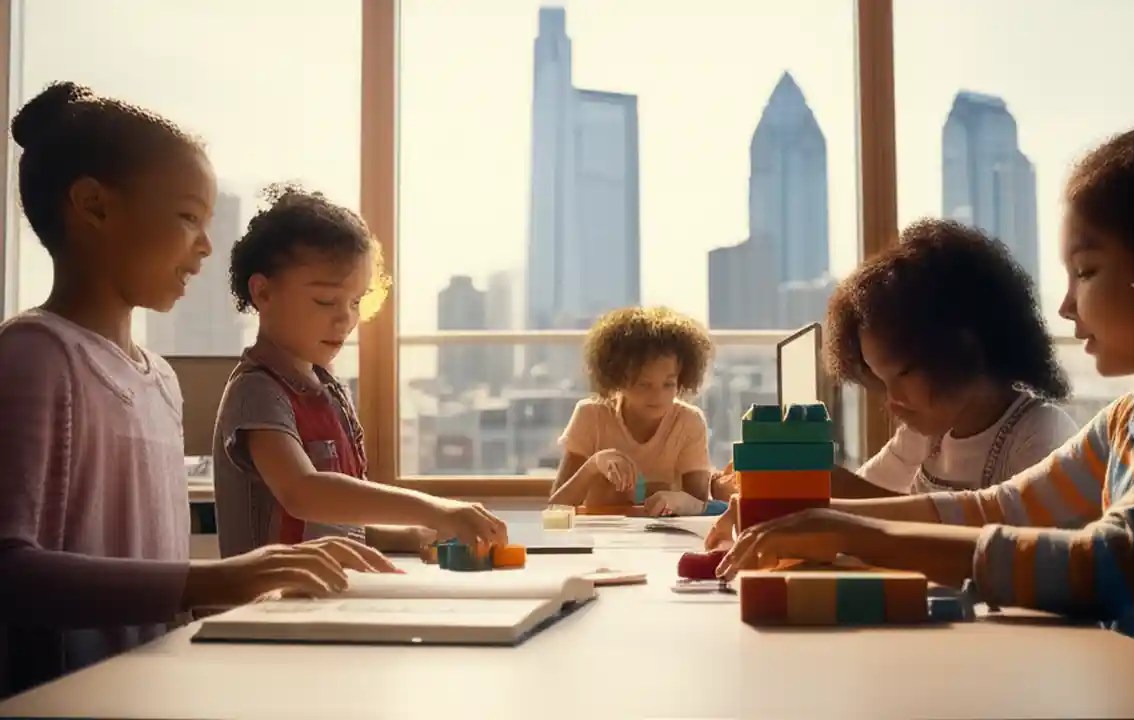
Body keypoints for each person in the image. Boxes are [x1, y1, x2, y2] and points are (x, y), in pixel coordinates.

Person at [717, 79, 1134, 686]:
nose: (1066, 306)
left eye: (1086, 271)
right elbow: (998, 507)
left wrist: (858, 532)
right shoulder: (1127, 421)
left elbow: (1114, 564)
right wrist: (809, 513)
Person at [0, 82, 393, 698]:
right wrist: (219, 581)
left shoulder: (161, 379)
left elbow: (159, 574)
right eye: (188, 218)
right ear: (94, 206)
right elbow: (11, 571)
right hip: (62, 697)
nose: (206, 247)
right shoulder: (34, 355)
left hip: (153, 685)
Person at [706, 220, 1078, 546]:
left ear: (963, 343)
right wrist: (779, 493)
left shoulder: (1039, 435)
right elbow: (863, 502)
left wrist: (811, 487)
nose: (892, 400)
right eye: (880, 382)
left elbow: (1013, 549)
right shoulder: (925, 432)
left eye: (902, 374)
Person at [213, 185, 507, 558]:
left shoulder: (329, 390)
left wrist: (421, 535)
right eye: (326, 301)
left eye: (355, 302)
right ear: (263, 293)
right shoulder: (256, 390)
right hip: (271, 608)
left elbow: (345, 523)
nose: (346, 318)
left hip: (330, 600)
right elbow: (303, 492)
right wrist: (435, 508)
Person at [549, 307, 715, 516]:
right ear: (617, 378)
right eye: (644, 385)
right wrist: (594, 465)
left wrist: (678, 500)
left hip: (666, 542)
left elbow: (702, 507)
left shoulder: (689, 421)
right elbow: (555, 509)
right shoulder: (590, 415)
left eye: (668, 384)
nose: (658, 396)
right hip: (598, 541)